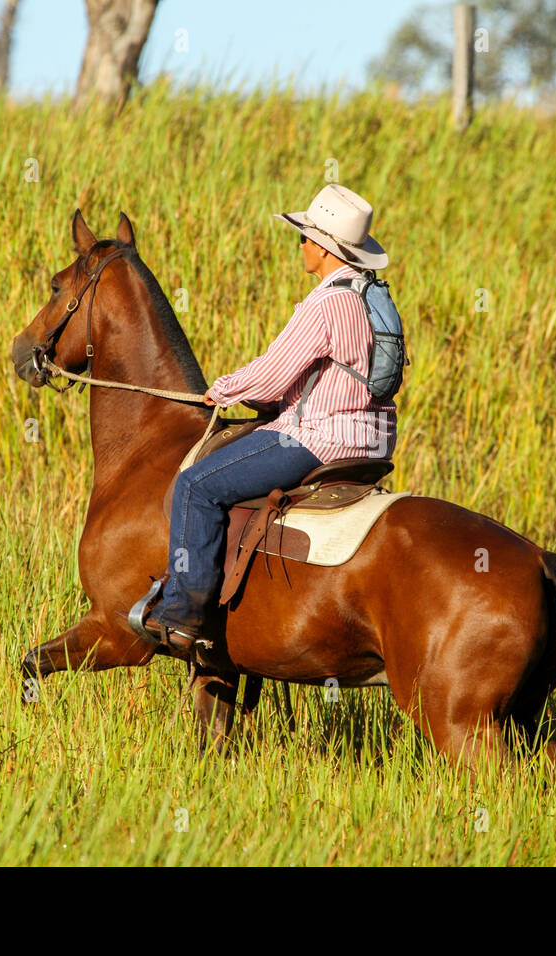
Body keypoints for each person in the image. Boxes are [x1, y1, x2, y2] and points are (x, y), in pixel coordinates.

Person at [143, 184, 398, 653]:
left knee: (197, 486)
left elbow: (270, 375)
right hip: (374, 443)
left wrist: (220, 391)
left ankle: (182, 614)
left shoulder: (326, 303)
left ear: (322, 247)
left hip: (318, 438)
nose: (300, 246)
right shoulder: (372, 297)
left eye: (303, 238)